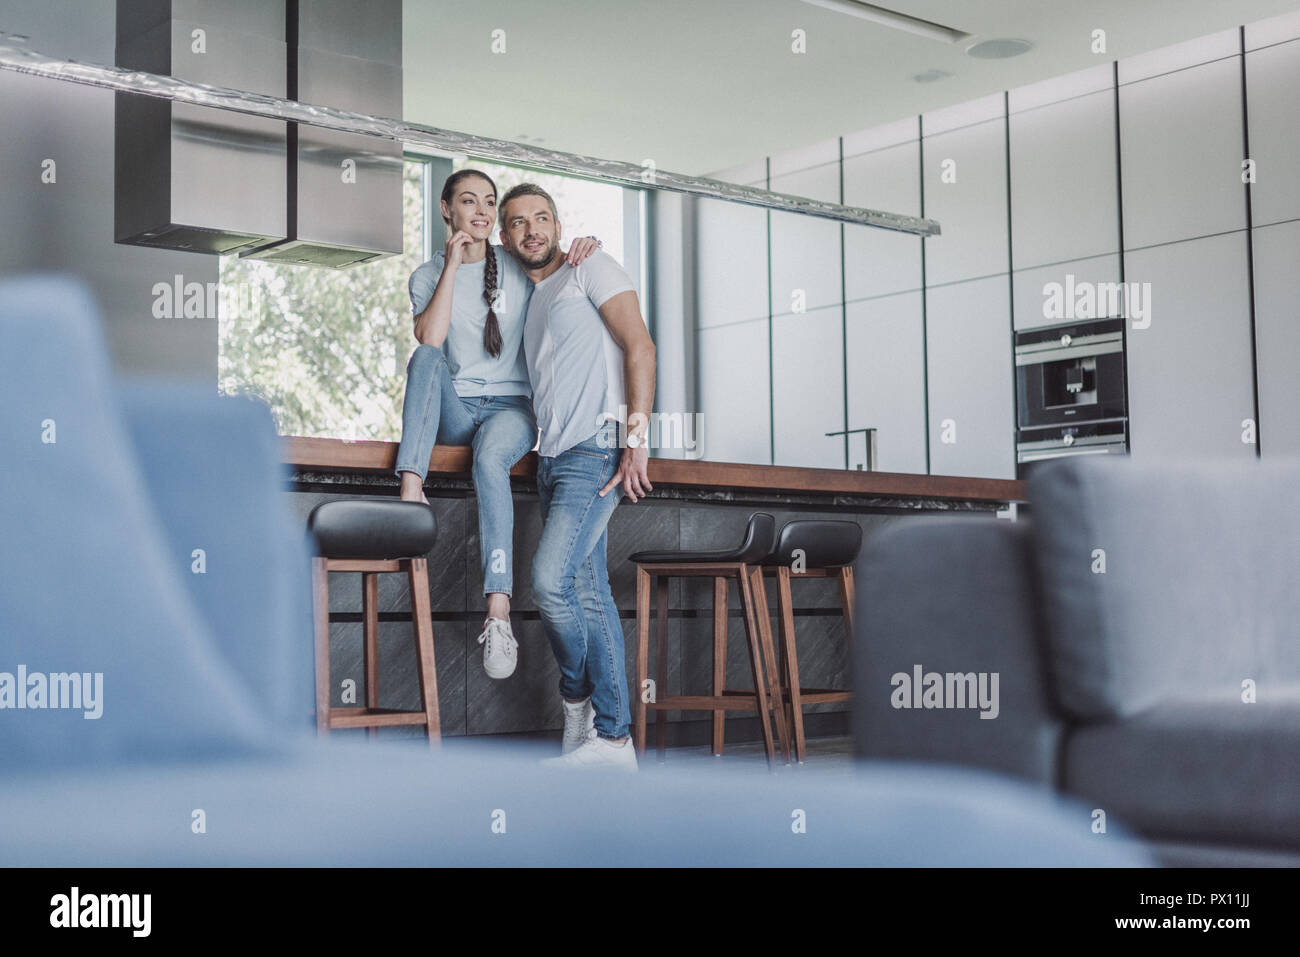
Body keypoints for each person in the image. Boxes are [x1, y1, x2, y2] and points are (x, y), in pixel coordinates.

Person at [394, 169, 599, 680]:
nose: (482, 212)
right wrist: (450, 265)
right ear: (447, 210)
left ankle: (499, 612)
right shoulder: (425, 276)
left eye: (489, 202)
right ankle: (410, 489)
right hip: (458, 410)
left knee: (490, 462)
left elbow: (556, 262)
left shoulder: (515, 265)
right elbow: (432, 339)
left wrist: (588, 245)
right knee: (423, 359)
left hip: (511, 410)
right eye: (469, 202)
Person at [497, 182, 656, 772]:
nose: (531, 229)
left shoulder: (593, 266)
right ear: (507, 237)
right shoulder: (534, 297)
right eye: (517, 222)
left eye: (542, 217)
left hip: (595, 449)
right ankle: (612, 744)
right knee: (587, 593)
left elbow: (640, 346)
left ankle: (589, 713)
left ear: (559, 225)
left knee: (547, 581)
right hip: (552, 459)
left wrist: (635, 439)